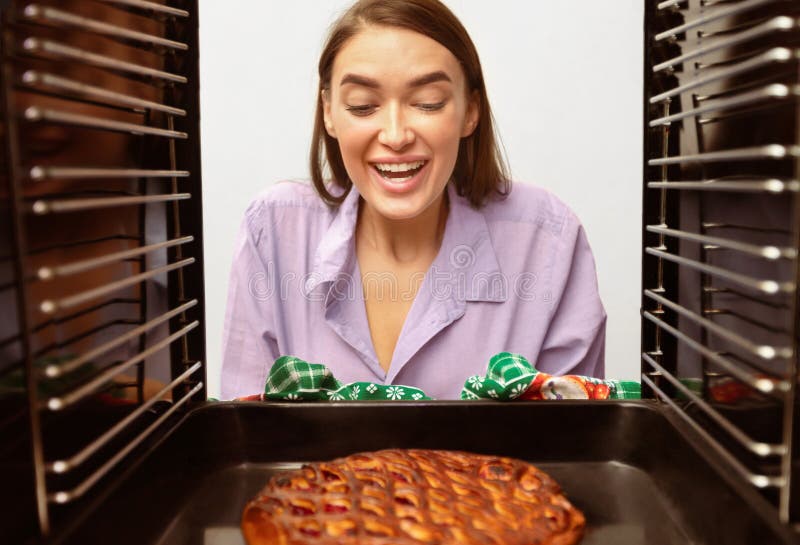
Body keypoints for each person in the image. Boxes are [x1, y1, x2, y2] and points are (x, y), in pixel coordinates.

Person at [220, 0, 606, 400]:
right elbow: (247, 441)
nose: (396, 135)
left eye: (428, 103)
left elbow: (570, 446)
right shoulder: (273, 229)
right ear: (329, 112)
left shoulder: (549, 239)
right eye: (362, 106)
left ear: (470, 110)